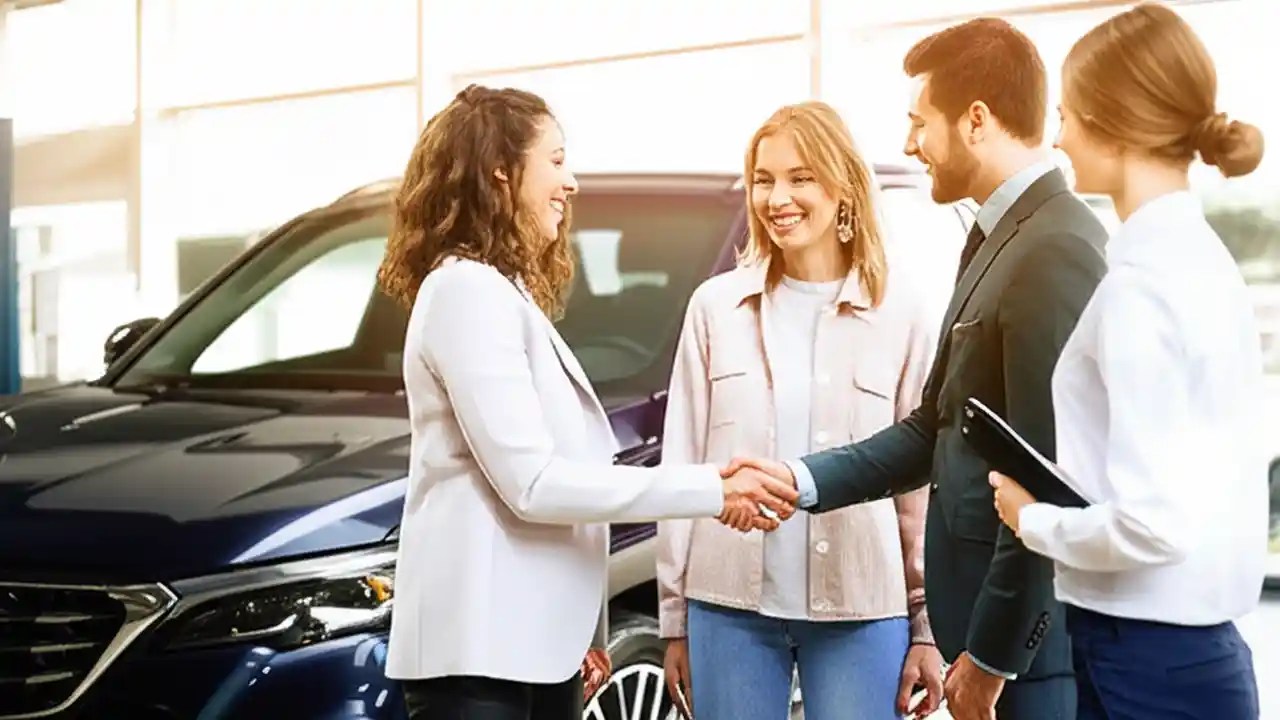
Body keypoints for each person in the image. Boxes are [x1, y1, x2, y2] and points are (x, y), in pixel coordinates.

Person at [724, 18, 1110, 720]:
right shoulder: (999, 237)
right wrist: (798, 480)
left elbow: (1049, 481)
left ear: (976, 121)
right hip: (988, 650)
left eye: (919, 123)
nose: (909, 145)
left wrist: (993, 659)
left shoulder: (1053, 247)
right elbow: (936, 428)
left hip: (1029, 667)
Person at [377, 84, 799, 720]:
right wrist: (714, 489)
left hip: (530, 644)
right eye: (555, 160)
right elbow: (534, 484)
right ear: (501, 170)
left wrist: (586, 629)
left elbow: (566, 473)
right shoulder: (466, 292)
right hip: (480, 652)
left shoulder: (503, 290)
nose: (570, 182)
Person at [989, 4, 1268, 718]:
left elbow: (1152, 525)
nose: (1058, 138)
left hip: (1145, 656)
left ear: (1113, 125)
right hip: (1181, 650)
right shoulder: (1201, 263)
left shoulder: (1143, 289)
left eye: (1067, 116)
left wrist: (1032, 520)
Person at [656, 102, 946, 720]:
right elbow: (682, 465)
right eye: (764, 180)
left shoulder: (904, 313)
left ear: (843, 187)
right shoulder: (715, 308)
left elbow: (919, 484)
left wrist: (927, 628)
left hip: (862, 605)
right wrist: (674, 619)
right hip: (727, 606)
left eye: (800, 177)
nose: (777, 198)